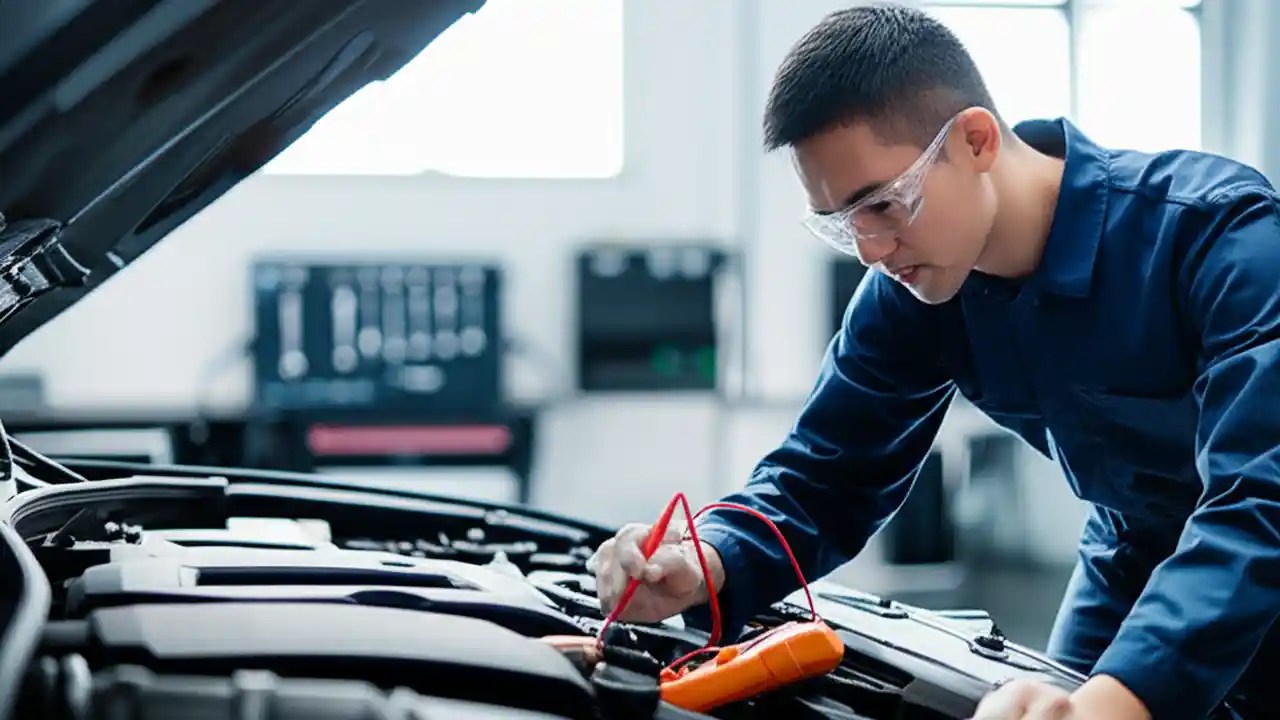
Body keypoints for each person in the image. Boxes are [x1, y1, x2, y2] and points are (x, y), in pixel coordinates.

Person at [586, 3, 1280, 719]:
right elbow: (828, 470)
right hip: (1133, 555)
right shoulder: (917, 291)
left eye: (884, 204)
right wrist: (707, 560)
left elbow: (1263, 496)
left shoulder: (1218, 237)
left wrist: (1126, 696)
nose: (870, 251)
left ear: (976, 140)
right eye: (840, 224)